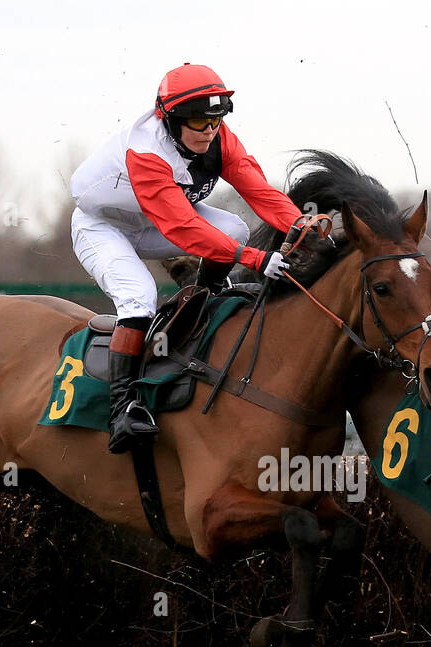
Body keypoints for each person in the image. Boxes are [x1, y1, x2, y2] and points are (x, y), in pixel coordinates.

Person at [70, 63, 304, 453]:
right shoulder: (146, 151)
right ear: (171, 119)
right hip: (103, 228)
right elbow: (183, 229)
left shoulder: (219, 137)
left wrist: (301, 224)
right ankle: (122, 409)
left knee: (234, 229)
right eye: (198, 121)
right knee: (139, 297)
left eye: (216, 118)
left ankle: (210, 294)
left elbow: (258, 191)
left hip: (153, 219)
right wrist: (255, 260)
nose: (209, 129)